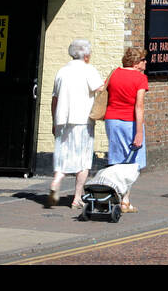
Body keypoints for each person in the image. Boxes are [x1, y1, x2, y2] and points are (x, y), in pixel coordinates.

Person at [48, 39, 103, 211]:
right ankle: (77, 198)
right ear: (86, 55)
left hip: (62, 120)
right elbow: (101, 90)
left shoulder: (62, 71)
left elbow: (54, 100)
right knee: (83, 160)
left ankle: (57, 180)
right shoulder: (89, 70)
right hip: (82, 121)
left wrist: (54, 122)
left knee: (64, 155)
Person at [103, 46, 149, 212]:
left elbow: (104, 91)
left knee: (117, 161)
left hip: (111, 120)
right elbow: (139, 106)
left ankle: (117, 197)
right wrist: (139, 132)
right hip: (129, 123)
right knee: (133, 163)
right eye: (144, 60)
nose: (146, 63)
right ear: (137, 63)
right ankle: (124, 200)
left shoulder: (115, 73)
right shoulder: (140, 78)